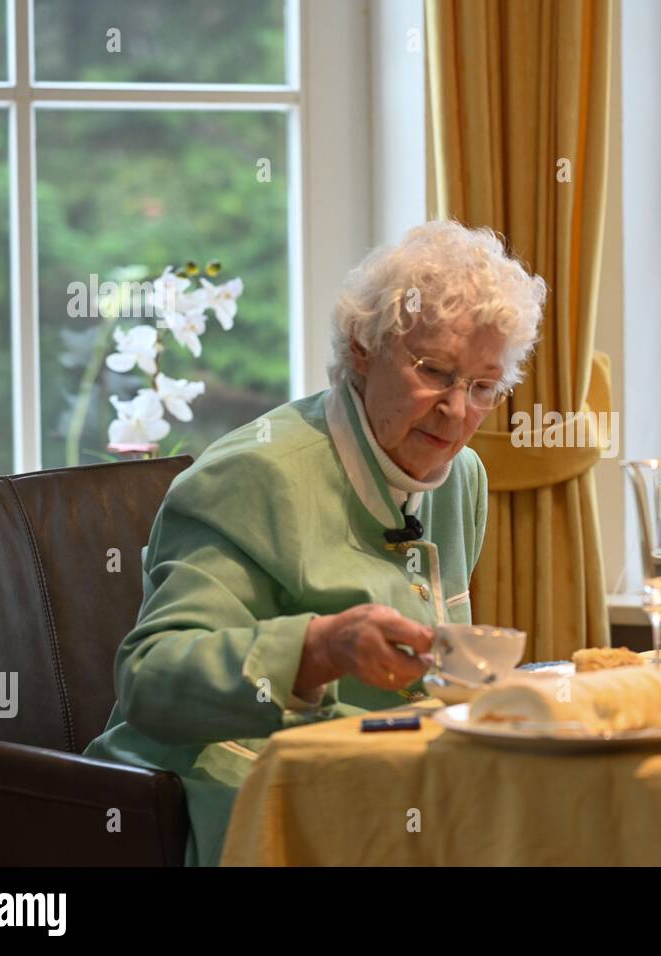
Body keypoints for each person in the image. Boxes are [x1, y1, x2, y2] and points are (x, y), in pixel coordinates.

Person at [85, 221, 546, 865]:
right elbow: (152, 679)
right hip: (230, 783)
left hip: (384, 781)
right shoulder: (255, 474)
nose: (457, 411)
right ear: (363, 347)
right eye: (434, 371)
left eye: (483, 387)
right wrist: (319, 648)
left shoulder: (462, 477)